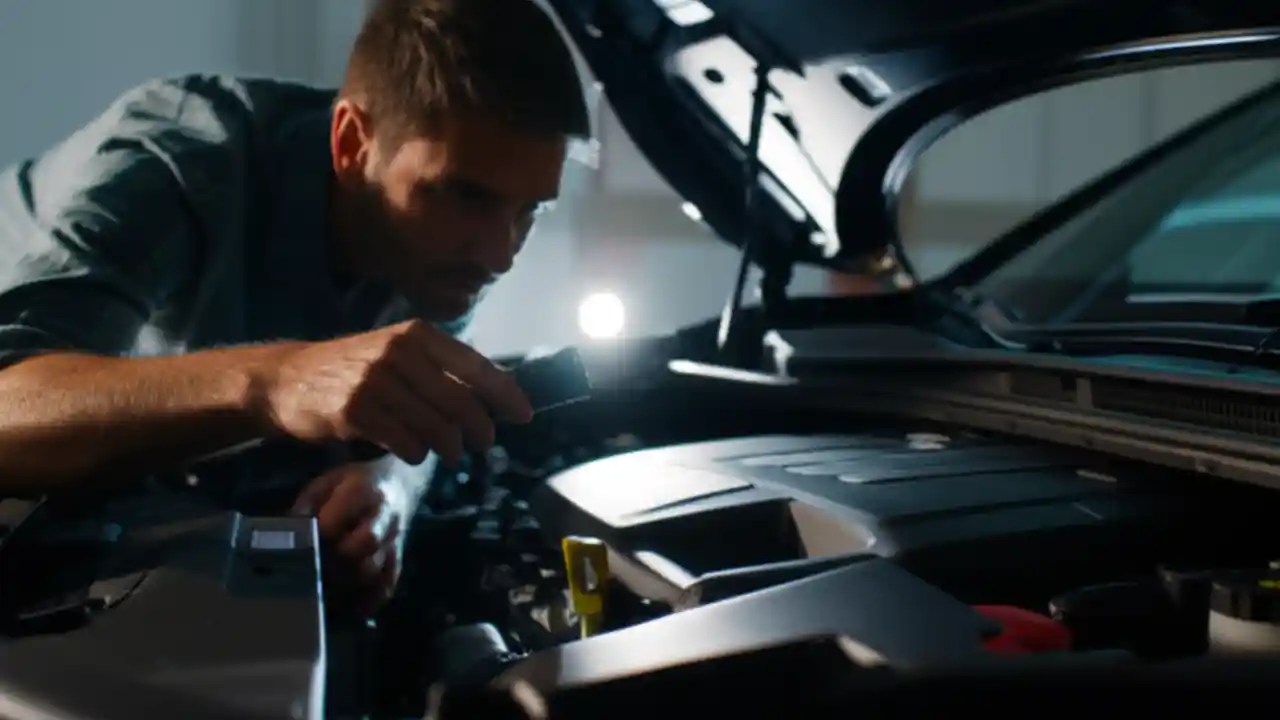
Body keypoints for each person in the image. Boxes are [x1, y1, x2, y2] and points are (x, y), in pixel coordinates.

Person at [0, 0, 589, 615]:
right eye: (463, 195)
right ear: (353, 142)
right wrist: (276, 381)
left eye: (532, 211)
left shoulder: (450, 248)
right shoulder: (177, 159)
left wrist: (390, 484)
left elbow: (412, 410)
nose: (499, 255)